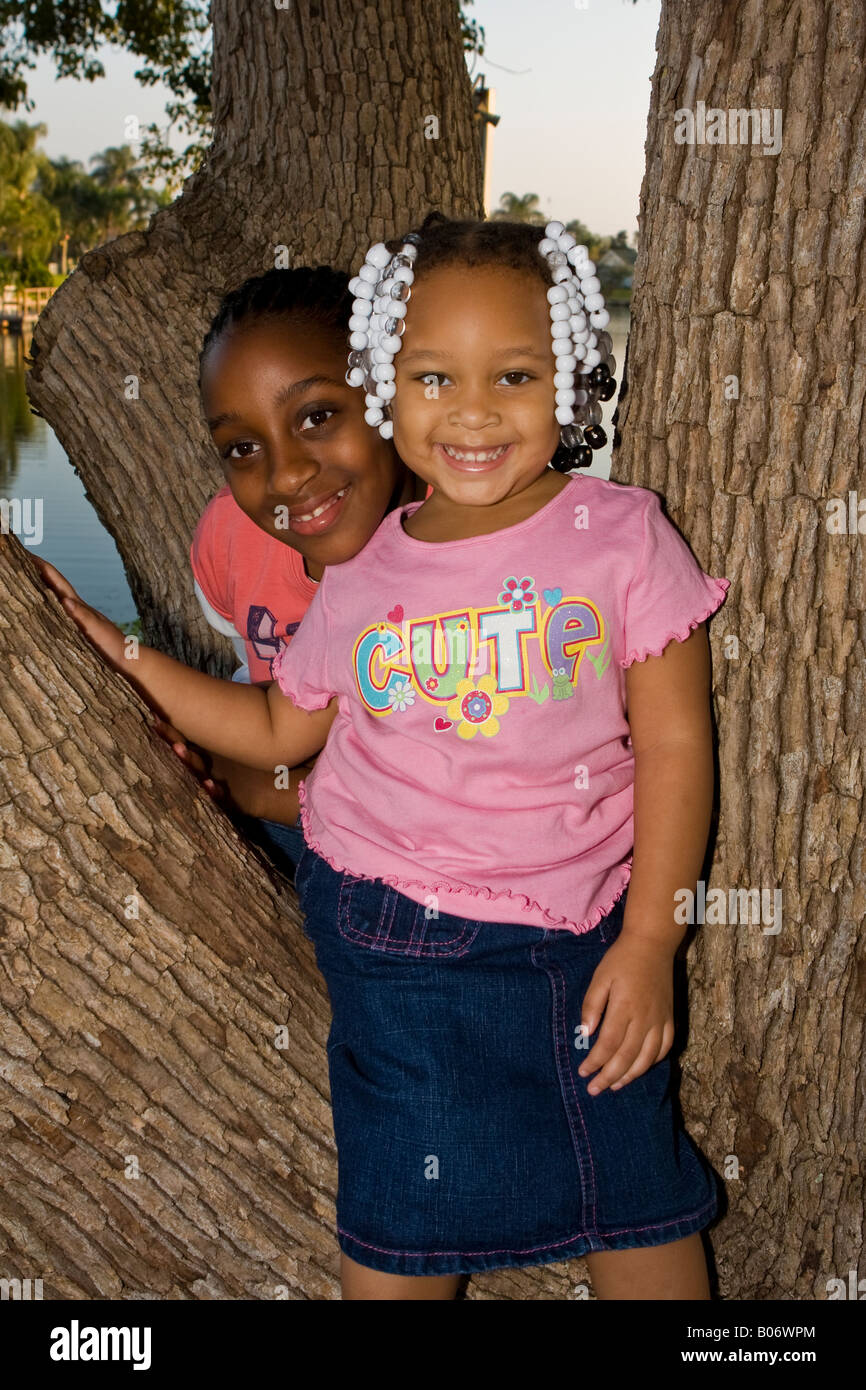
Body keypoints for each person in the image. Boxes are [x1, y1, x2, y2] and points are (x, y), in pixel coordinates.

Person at [38, 212, 731, 1302]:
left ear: (573, 376)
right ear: (385, 387)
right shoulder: (364, 577)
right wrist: (116, 648)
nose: (469, 412)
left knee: (634, 1195)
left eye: (512, 374)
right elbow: (276, 727)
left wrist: (650, 938)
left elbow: (675, 747)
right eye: (430, 378)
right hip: (392, 934)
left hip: (577, 938)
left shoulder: (620, 537)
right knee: (399, 1217)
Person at [159, 266, 427, 876]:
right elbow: (261, 701)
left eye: (316, 417)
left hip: (410, 853)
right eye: (243, 449)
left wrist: (241, 782)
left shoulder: (457, 544)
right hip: (274, 824)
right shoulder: (232, 538)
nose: (284, 477)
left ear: (388, 395)